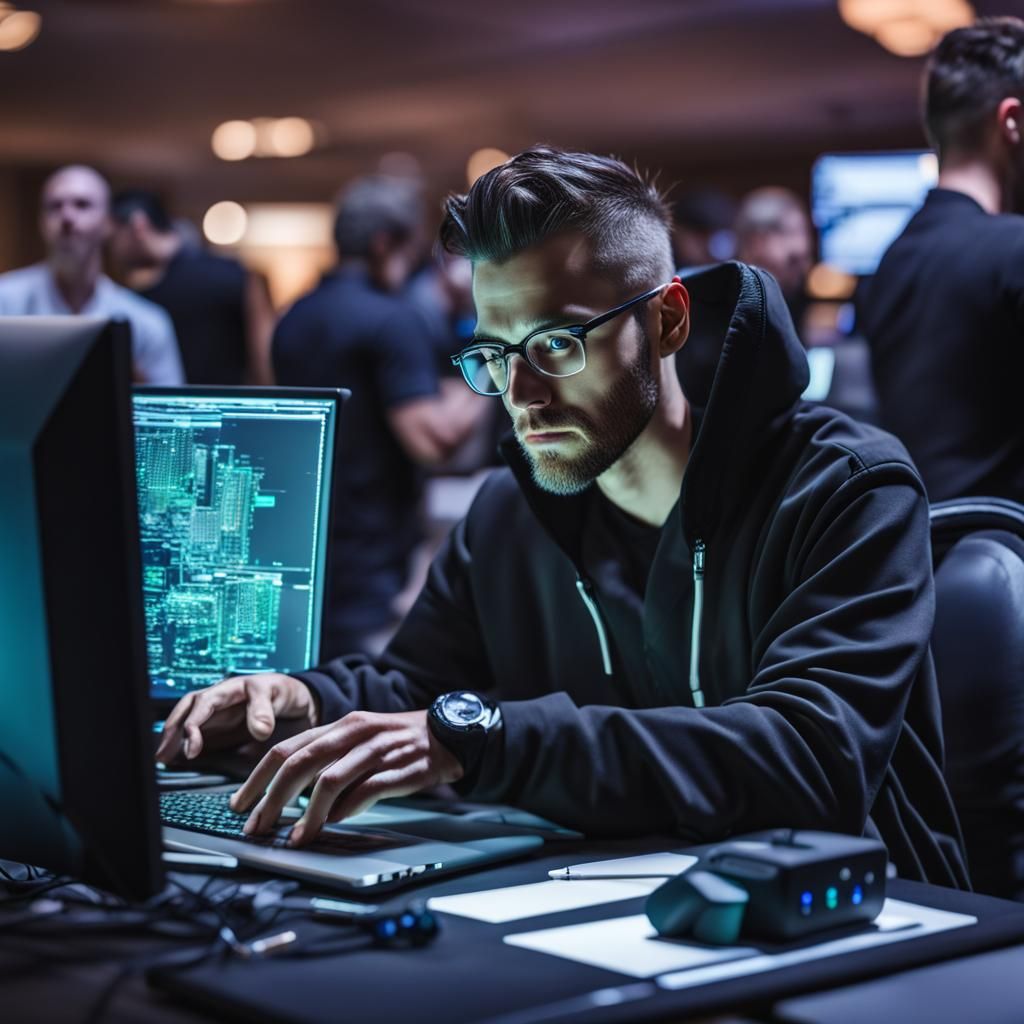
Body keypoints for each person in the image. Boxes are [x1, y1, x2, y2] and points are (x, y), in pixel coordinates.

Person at [157, 148, 966, 887]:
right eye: (496, 353)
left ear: (668, 320)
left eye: (554, 344)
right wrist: (301, 697)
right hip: (611, 896)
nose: (521, 395)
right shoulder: (510, 510)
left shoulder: (845, 488)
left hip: (853, 919)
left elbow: (808, 761)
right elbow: (420, 686)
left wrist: (488, 742)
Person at [271, 175, 486, 656]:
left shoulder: (294, 316)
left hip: (300, 533)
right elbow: (433, 443)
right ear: (385, 242)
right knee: (357, 687)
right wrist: (493, 362)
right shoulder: (392, 320)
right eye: (411, 249)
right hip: (369, 545)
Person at [857, 17, 1024, 502]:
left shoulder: (889, 265)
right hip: (1009, 552)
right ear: (1011, 121)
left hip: (919, 548)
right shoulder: (1014, 249)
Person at [0, 165, 183, 385]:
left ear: (108, 223)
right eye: (55, 206)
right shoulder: (4, 302)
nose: (67, 216)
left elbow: (169, 414)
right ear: (42, 222)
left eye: (82, 205)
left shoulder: (146, 323)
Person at [109, 189, 276, 386]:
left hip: (172, 410)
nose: (112, 249)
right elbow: (265, 361)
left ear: (139, 226)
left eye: (113, 238)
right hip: (232, 407)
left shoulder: (142, 295)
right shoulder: (235, 274)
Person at [734, 186, 813, 329]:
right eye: (789, 233)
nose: (802, 247)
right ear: (756, 241)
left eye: (804, 232)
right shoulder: (731, 308)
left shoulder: (802, 298)